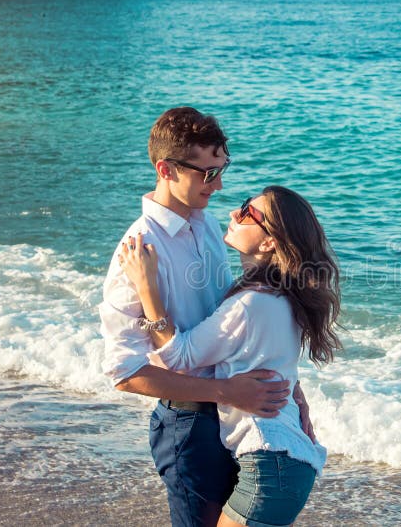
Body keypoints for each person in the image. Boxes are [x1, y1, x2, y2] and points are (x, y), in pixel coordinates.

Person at [99, 107, 315, 527]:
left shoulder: (209, 228)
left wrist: (291, 388)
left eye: (222, 169)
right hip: (189, 426)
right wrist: (226, 391)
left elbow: (236, 327)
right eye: (208, 173)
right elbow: (124, 373)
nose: (218, 185)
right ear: (166, 170)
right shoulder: (138, 251)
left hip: (237, 421)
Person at [118, 185, 342, 527]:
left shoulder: (251, 303)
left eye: (249, 213)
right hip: (286, 461)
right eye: (243, 205)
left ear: (269, 243)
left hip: (270, 465)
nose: (234, 213)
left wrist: (147, 287)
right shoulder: (283, 295)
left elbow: (179, 357)